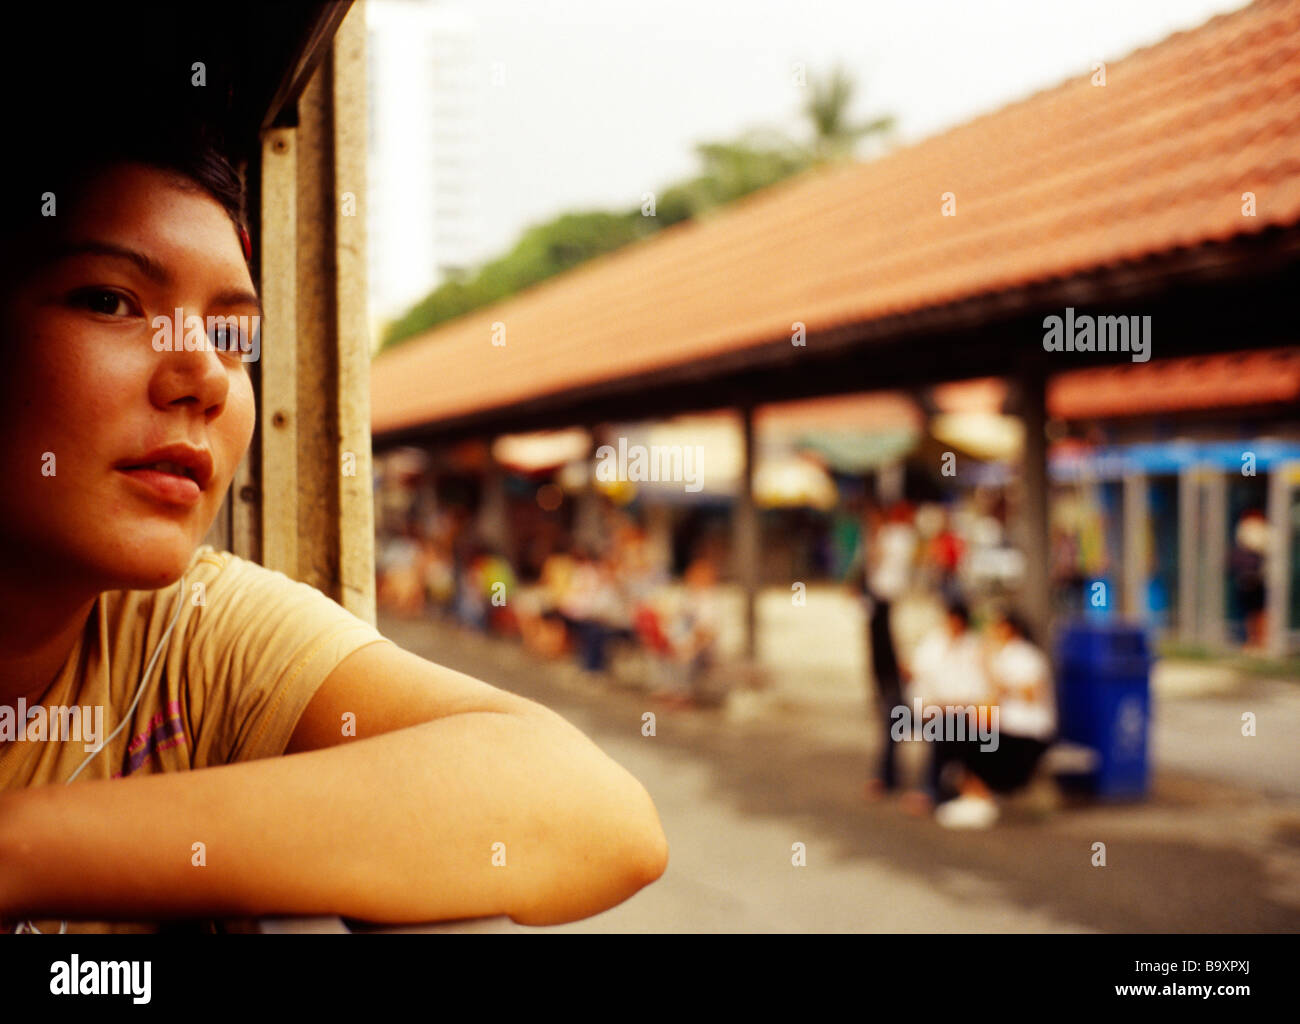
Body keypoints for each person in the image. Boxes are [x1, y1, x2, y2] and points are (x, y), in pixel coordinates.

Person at [0, 113, 666, 933]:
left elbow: (593, 812)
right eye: (111, 301)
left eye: (229, 334)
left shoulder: (191, 641)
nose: (204, 377)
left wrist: (16, 849)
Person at [934, 610, 1056, 829]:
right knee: (951, 732)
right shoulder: (1002, 657)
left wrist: (992, 671)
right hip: (1005, 729)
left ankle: (980, 796)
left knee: (967, 741)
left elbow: (1029, 694)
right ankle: (968, 794)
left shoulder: (1025, 656)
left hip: (1026, 733)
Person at [851, 500, 917, 800]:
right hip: (884, 616)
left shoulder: (897, 540)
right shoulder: (885, 543)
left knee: (895, 706)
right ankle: (888, 776)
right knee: (892, 709)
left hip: (899, 635)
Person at [903, 599, 989, 816]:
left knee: (946, 728)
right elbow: (919, 676)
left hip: (958, 711)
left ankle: (932, 788)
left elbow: (975, 688)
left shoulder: (973, 648)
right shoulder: (933, 643)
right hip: (930, 707)